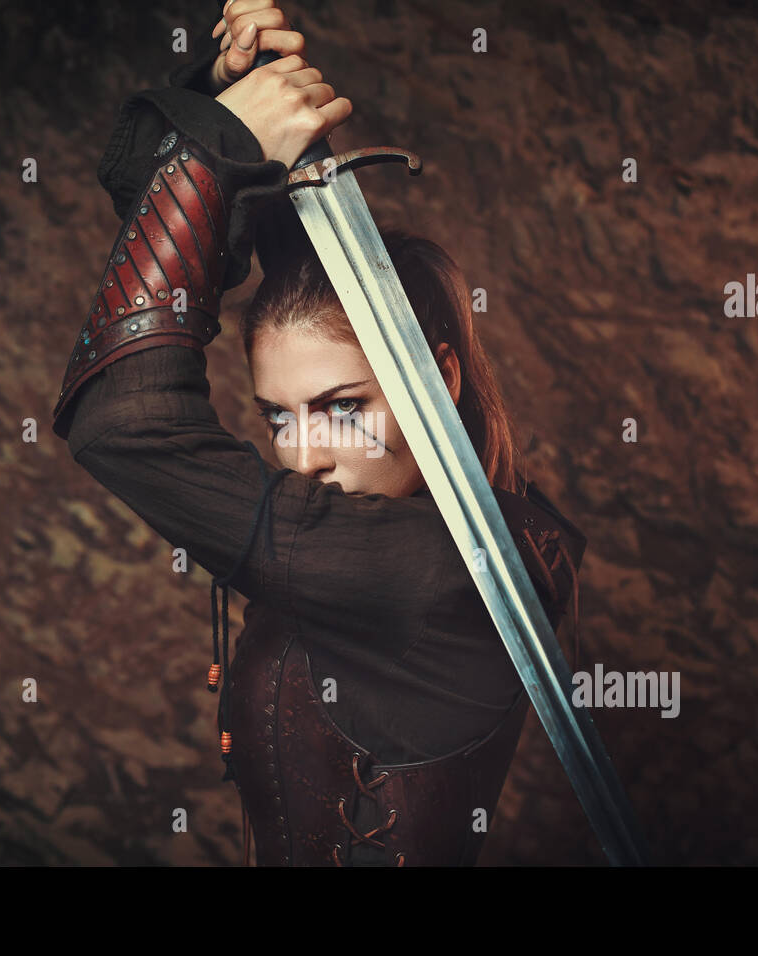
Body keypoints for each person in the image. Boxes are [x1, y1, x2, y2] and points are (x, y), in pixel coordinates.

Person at [51, 0, 586, 866]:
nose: (304, 460)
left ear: (436, 380)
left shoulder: (443, 577)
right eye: (277, 417)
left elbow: (126, 422)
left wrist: (216, 150)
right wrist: (228, 117)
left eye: (344, 408)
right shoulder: (429, 535)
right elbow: (231, 252)